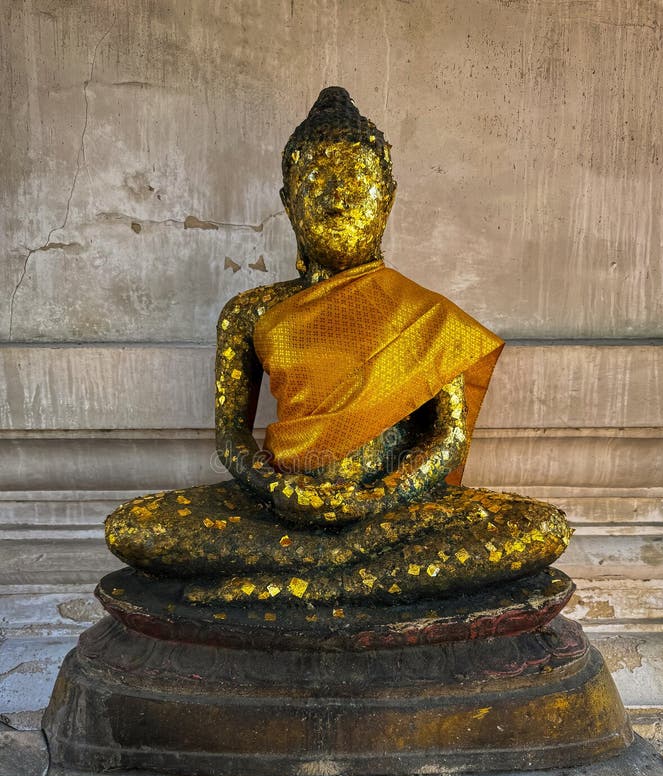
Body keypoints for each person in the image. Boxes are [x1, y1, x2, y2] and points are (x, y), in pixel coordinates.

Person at [105, 87, 571, 606]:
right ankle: (355, 571)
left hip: (393, 510)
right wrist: (277, 489)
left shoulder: (425, 313)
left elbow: (447, 439)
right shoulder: (249, 312)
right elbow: (232, 438)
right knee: (134, 527)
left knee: (539, 528)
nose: (338, 197)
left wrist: (376, 500)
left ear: (387, 197)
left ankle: (316, 579)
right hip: (285, 510)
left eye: (356, 177)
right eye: (318, 179)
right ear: (289, 201)